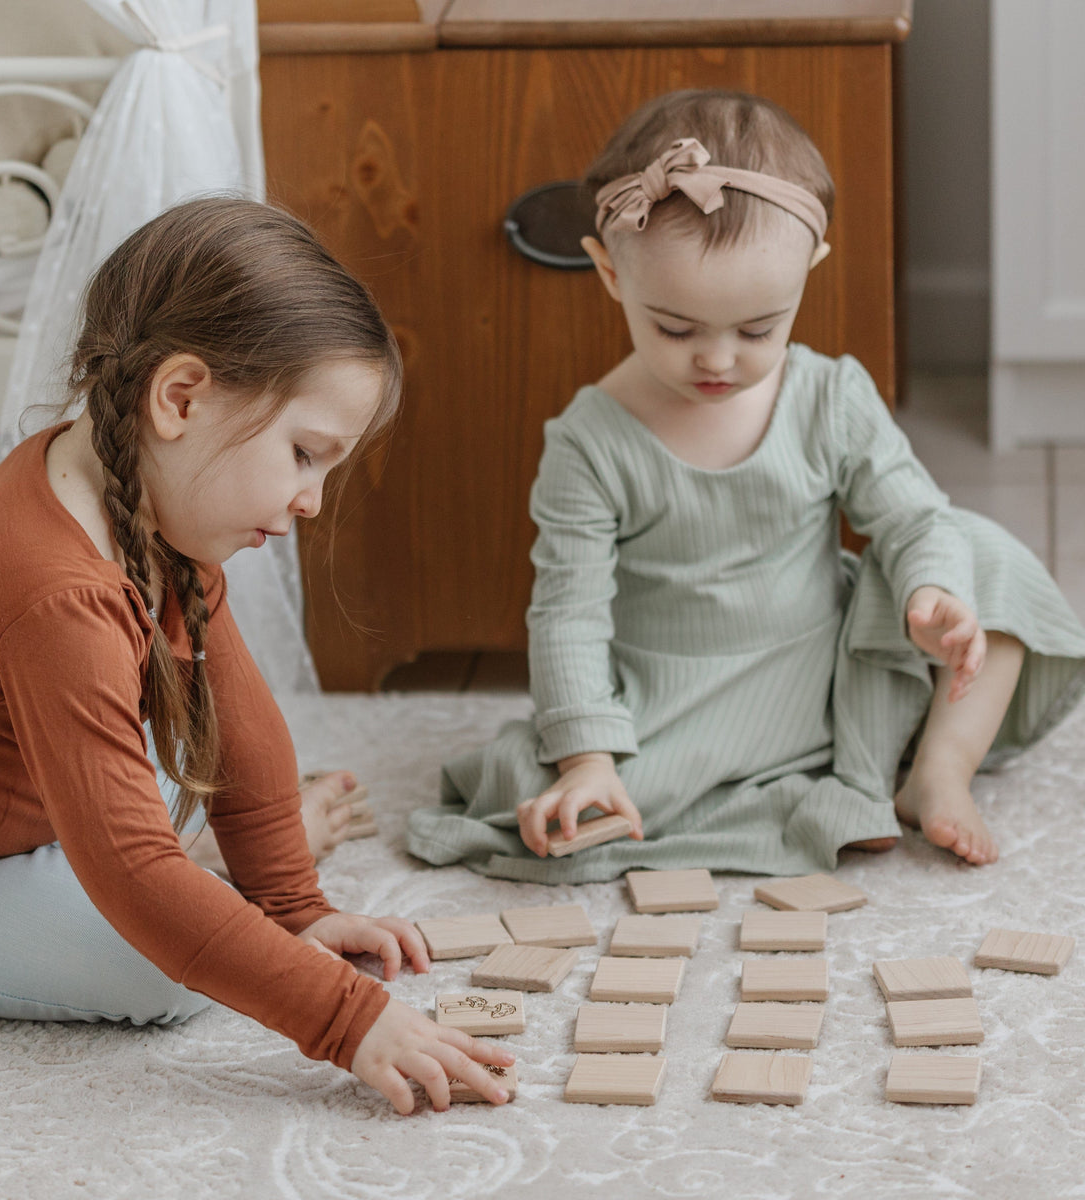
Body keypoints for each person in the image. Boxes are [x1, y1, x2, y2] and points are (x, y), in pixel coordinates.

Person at [0, 197, 513, 1113]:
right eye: (304, 455)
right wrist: (348, 1017)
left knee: (169, 789)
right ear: (179, 398)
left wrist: (295, 905)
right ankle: (182, 878)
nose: (311, 503)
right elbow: (137, 880)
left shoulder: (120, 481)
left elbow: (238, 722)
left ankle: (186, 874)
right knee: (168, 974)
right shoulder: (57, 593)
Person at [407, 89, 1085, 884]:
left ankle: (936, 768)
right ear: (608, 272)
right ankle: (794, 788)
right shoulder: (590, 443)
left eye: (759, 330)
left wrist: (930, 596)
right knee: (549, 805)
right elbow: (567, 615)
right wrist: (588, 758)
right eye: (676, 328)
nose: (719, 361)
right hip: (677, 706)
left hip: (834, 676)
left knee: (980, 555)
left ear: (809, 274)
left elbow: (911, 518)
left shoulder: (829, 396)